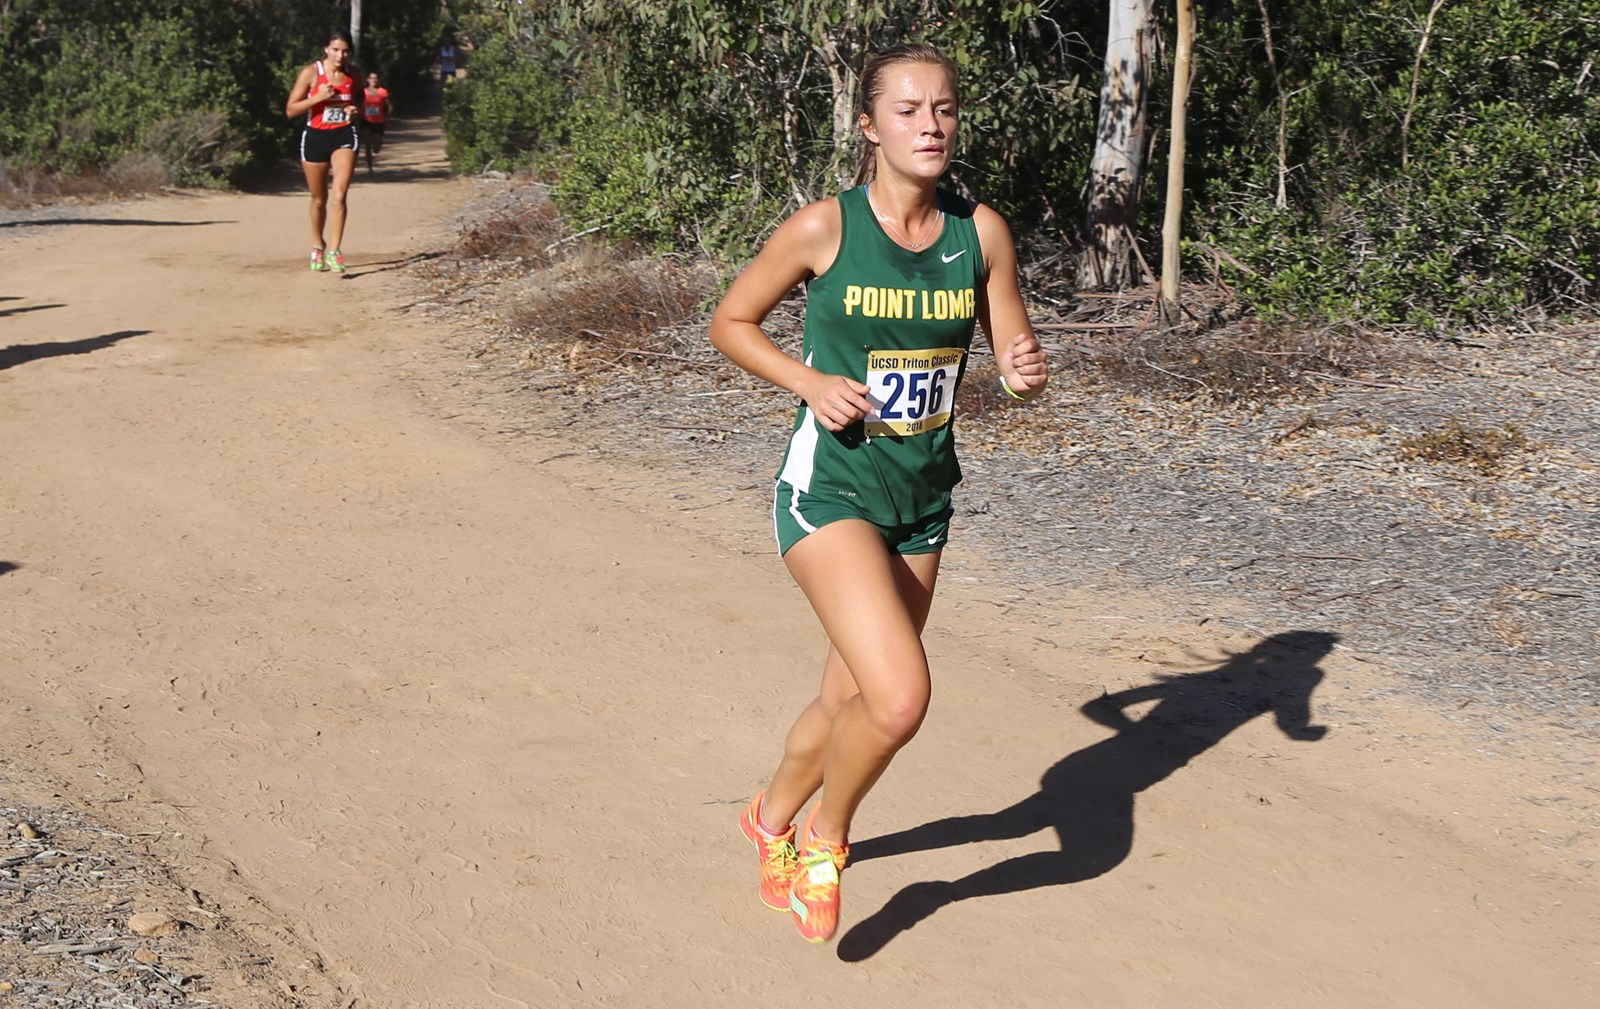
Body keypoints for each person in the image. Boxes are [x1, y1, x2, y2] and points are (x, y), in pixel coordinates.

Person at [708, 42, 1049, 944]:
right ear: (869, 126)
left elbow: (1015, 358)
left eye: (942, 109)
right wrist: (807, 382)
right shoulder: (825, 228)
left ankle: (767, 819)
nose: (929, 125)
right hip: (829, 489)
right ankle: (827, 842)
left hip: (922, 498)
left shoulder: (982, 234)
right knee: (899, 698)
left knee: (845, 698)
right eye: (907, 110)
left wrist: (1023, 372)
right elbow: (730, 321)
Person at [285, 29, 363, 273]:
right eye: (336, 49)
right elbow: (291, 110)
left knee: (339, 194)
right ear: (326, 49)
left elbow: (359, 99)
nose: (340, 55)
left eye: (345, 50)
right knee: (319, 199)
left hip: (343, 135)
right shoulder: (311, 73)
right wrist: (317, 98)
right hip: (316, 137)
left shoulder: (354, 74)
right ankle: (318, 244)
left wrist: (354, 109)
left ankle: (335, 250)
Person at [359, 71, 392, 174]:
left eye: (376, 78)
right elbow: (359, 105)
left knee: (376, 147)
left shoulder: (382, 92)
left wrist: (387, 117)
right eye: (372, 78)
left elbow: (390, 105)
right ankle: (370, 168)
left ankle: (377, 147)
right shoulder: (363, 92)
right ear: (368, 80)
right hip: (366, 121)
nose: (374, 80)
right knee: (367, 145)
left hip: (379, 121)